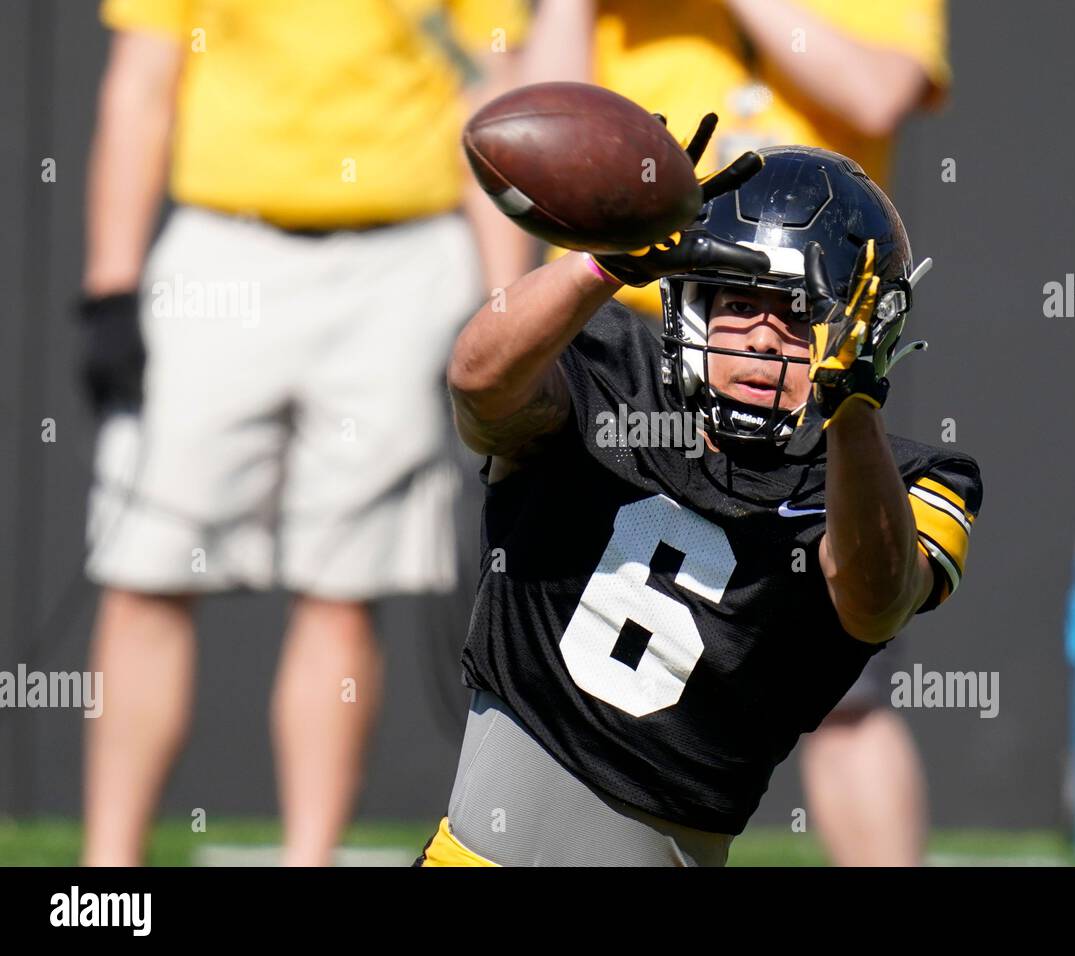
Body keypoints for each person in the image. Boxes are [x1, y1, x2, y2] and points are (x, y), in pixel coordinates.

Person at [415, 132, 980, 866]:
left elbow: (874, 601)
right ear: (689, 303)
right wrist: (599, 261)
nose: (763, 338)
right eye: (740, 302)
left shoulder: (911, 479)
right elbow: (478, 384)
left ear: (860, 330)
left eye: (798, 313)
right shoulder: (609, 368)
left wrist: (854, 412)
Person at [79, 0, 527, 866]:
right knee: (148, 571)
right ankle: (107, 875)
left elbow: (491, 97)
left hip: (402, 260)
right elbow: (141, 80)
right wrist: (111, 285)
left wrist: (504, 311)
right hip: (225, 248)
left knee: (342, 588)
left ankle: (309, 861)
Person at [523, 0, 953, 865]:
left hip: (795, 364)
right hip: (623, 353)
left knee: (846, 682)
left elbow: (877, 94)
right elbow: (537, 130)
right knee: (549, 661)